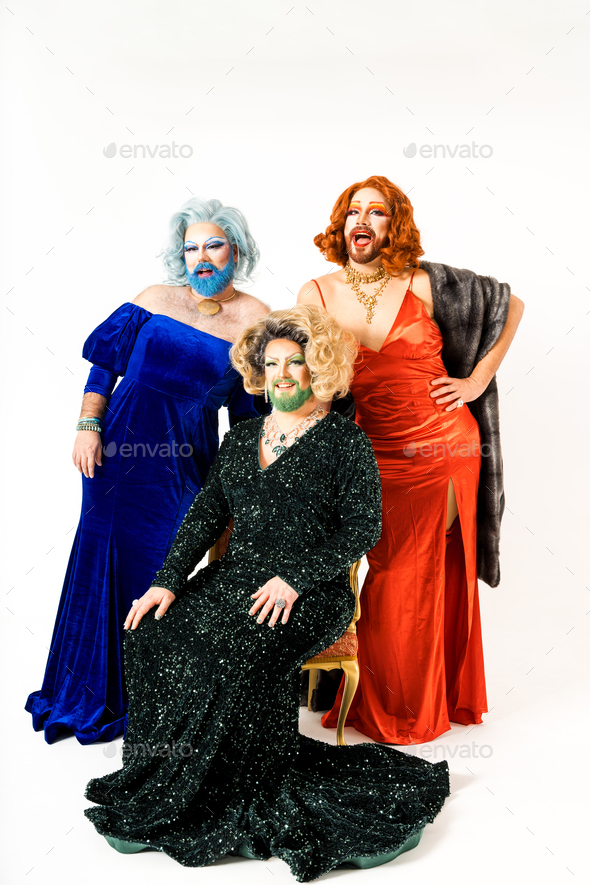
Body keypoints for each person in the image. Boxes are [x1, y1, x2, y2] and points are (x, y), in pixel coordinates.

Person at [83, 306, 450, 882]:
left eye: (294, 363)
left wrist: (297, 577)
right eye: (271, 363)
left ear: (317, 369)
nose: (281, 374)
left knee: (232, 653)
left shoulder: (344, 441)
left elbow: (362, 528)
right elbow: (207, 513)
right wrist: (166, 581)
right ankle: (167, 779)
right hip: (238, 577)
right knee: (150, 631)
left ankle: (223, 787)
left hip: (310, 590)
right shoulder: (242, 437)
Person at [25, 197, 269, 744]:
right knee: (100, 563)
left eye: (213, 245)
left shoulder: (257, 320)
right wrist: (88, 424)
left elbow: (248, 416)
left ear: (235, 251)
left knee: (160, 575)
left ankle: (147, 696)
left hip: (184, 467)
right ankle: (85, 690)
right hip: (115, 455)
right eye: (191, 248)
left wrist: (242, 487)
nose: (200, 257)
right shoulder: (154, 299)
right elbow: (103, 367)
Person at [297, 175, 524, 745]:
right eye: (354, 211)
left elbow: (511, 303)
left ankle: (420, 705)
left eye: (376, 212)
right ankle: (396, 696)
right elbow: (310, 381)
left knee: (426, 571)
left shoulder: (425, 282)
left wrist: (476, 381)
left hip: (445, 446)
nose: (362, 220)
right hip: (373, 454)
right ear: (341, 224)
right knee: (392, 572)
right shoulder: (316, 294)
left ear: (392, 225)